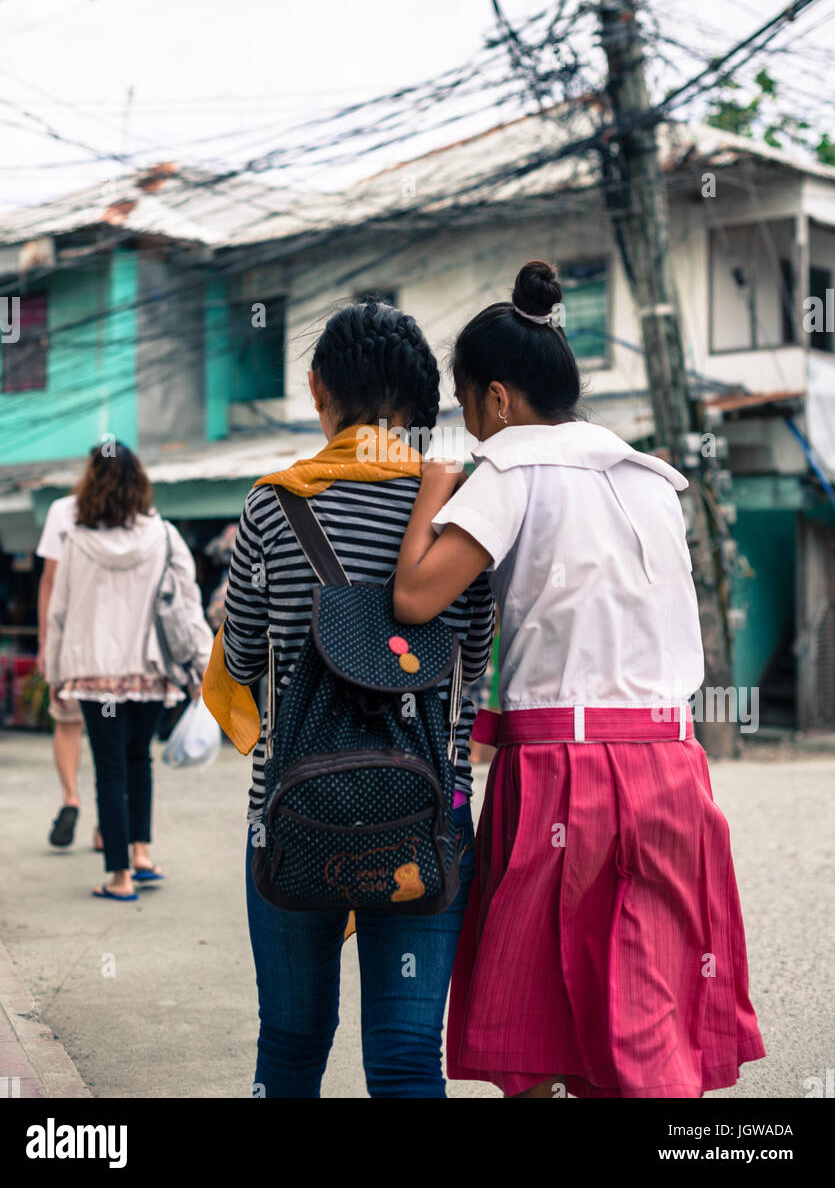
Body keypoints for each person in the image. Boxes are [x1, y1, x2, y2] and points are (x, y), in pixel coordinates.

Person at [393, 259, 766, 1099]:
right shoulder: (650, 479)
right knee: (640, 1026)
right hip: (674, 771)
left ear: (495, 397)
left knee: (532, 1028)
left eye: (464, 406)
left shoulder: (511, 472)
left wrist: (433, 488)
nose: (468, 423)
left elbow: (415, 598)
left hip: (565, 771)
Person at [217, 300, 495, 1098]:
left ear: (316, 390)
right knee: (407, 1057)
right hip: (426, 811)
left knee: (293, 1041)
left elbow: (241, 658)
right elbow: (469, 666)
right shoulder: (458, 510)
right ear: (421, 404)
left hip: (293, 810)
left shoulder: (273, 504)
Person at [44, 443, 213, 901]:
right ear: (139, 482)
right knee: (139, 760)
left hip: (95, 676)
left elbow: (59, 612)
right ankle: (140, 853)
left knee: (110, 769)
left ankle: (118, 877)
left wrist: (56, 674)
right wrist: (203, 664)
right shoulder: (164, 535)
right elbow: (189, 604)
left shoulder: (76, 541)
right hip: (149, 671)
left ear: (91, 485)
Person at [37, 492, 102, 851]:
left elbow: (49, 581)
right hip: (120, 648)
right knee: (113, 735)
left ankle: (71, 798)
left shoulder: (62, 510)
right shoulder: (138, 511)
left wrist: (46, 643)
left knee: (67, 723)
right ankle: (109, 825)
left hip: (72, 642)